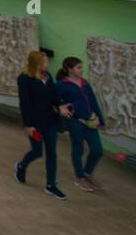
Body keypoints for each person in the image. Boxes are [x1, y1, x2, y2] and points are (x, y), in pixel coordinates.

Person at [15, 50, 74, 199]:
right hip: (35, 123)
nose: (48, 63)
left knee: (52, 153)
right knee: (37, 152)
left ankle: (51, 185)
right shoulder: (24, 79)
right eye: (45, 61)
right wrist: (28, 125)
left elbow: (54, 96)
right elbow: (25, 104)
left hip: (50, 121)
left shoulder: (48, 77)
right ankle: (21, 166)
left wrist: (60, 105)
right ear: (38, 63)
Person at [56, 56, 107, 193]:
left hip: (90, 122)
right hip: (75, 122)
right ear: (69, 69)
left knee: (97, 151)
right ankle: (80, 177)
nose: (81, 70)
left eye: (81, 67)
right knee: (78, 150)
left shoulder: (85, 83)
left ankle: (87, 173)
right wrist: (61, 106)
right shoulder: (62, 84)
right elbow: (53, 98)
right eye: (78, 67)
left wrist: (100, 121)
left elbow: (93, 102)